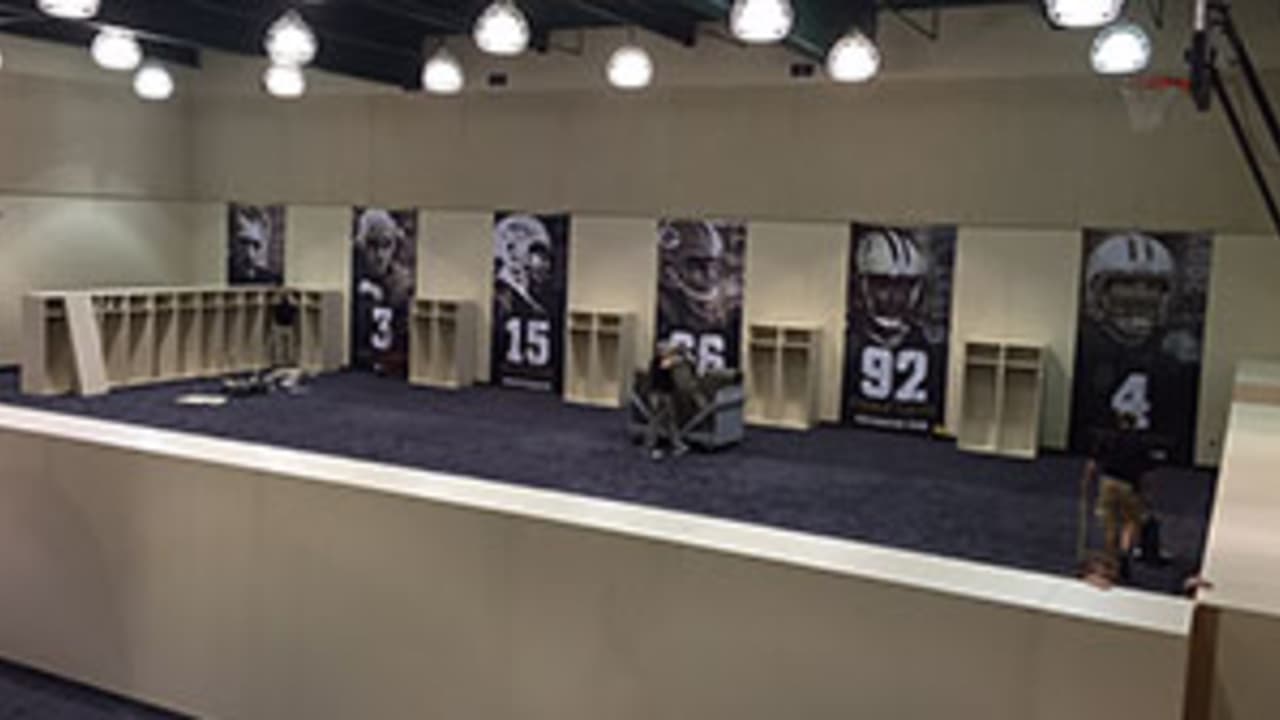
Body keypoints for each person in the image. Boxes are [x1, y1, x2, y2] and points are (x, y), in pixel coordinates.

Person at [1084, 411, 1163, 581]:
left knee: (1110, 523)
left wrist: (1086, 483)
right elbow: (1148, 472)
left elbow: (1092, 463)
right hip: (1130, 485)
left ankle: (1111, 559)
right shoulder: (1141, 442)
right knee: (1130, 521)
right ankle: (1125, 553)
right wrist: (1148, 493)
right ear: (1134, 424)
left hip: (1108, 483)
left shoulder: (1108, 438)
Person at [645, 341, 694, 461]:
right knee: (656, 420)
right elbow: (671, 363)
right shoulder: (658, 361)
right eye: (665, 349)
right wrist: (681, 352)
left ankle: (676, 444)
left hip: (665, 394)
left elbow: (682, 361)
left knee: (669, 420)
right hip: (658, 394)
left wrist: (680, 352)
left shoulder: (664, 360)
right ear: (660, 351)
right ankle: (653, 445)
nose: (668, 351)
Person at [268, 291, 299, 368]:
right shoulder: (277, 303)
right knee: (279, 345)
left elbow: (296, 305)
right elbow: (272, 302)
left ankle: (290, 361)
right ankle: (278, 361)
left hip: (289, 326)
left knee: (290, 345)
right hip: (279, 325)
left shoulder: (291, 303)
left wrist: (290, 297)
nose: (284, 295)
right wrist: (278, 295)